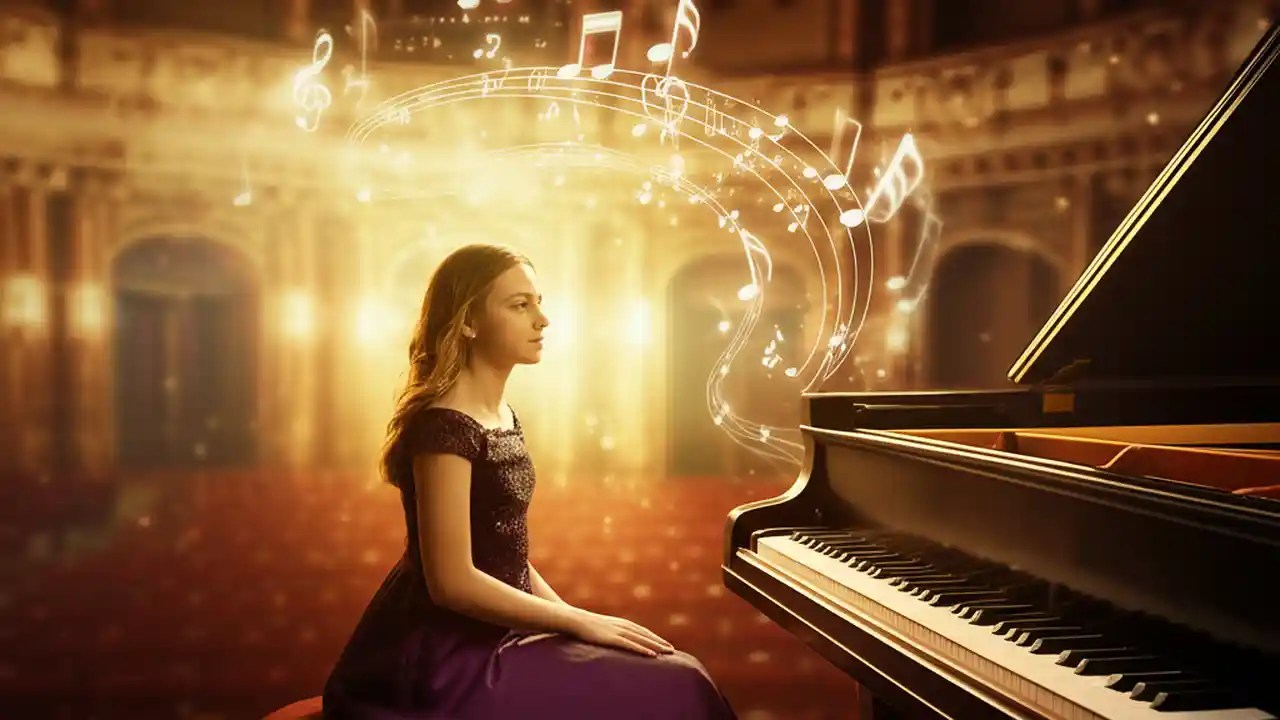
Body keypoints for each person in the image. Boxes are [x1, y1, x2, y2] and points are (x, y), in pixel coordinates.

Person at [323, 243, 738, 719]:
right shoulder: (444, 427)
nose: (543, 319)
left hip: (499, 629)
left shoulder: (502, 414)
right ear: (468, 322)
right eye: (520, 305)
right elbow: (452, 583)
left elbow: (507, 554)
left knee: (682, 671)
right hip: (445, 654)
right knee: (677, 686)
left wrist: (576, 625)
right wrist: (578, 621)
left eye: (539, 302)